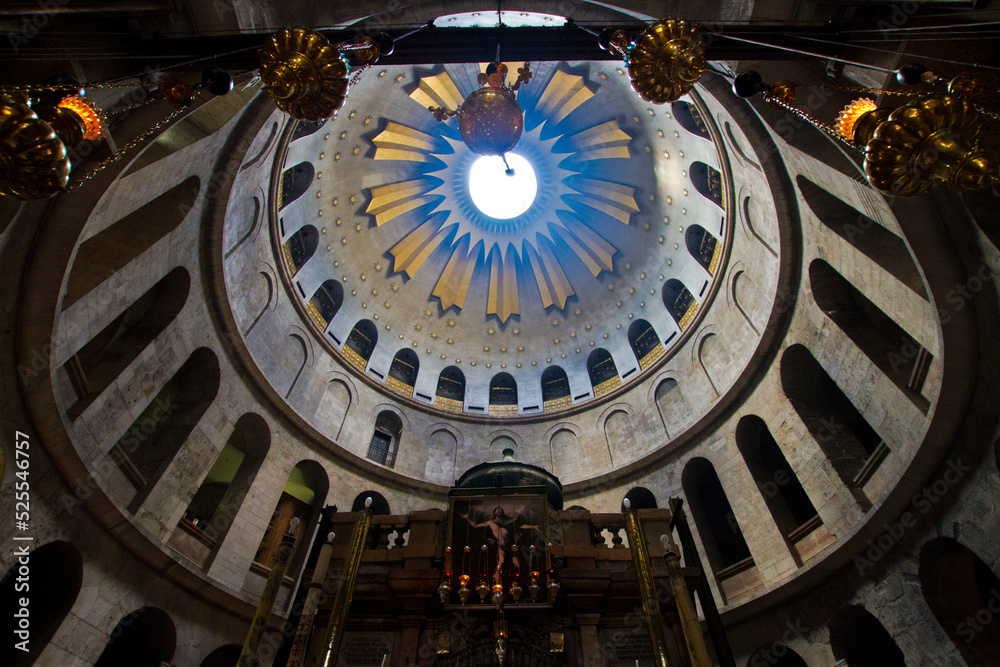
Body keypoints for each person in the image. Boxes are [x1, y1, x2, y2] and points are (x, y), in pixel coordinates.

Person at [463, 505, 540, 584]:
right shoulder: (491, 523)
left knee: (517, 564)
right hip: (501, 547)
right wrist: (467, 519)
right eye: (497, 515)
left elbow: (522, 526)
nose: (498, 517)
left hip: (511, 546)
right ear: (495, 515)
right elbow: (476, 526)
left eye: (499, 515)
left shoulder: (509, 522)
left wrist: (533, 526)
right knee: (499, 564)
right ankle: (497, 584)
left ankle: (525, 582)